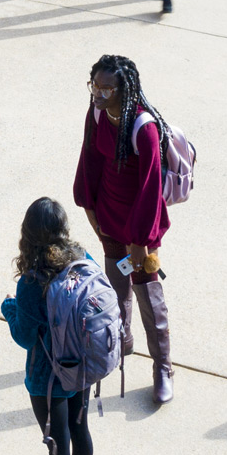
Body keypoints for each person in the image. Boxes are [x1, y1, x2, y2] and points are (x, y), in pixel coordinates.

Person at [73, 54, 175, 403]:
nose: (98, 94)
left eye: (106, 88)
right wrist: (90, 208)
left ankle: (163, 367)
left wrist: (141, 241)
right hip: (109, 220)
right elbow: (90, 158)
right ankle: (122, 341)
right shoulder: (98, 112)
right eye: (94, 86)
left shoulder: (143, 128)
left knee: (147, 292)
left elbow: (149, 188)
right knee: (116, 288)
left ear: (124, 89)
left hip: (140, 229)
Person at [2, 198, 95, 455]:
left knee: (57, 441)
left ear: (27, 234)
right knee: (79, 427)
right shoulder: (83, 260)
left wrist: (9, 308)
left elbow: (26, 338)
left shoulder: (31, 282)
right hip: (83, 363)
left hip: (48, 376)